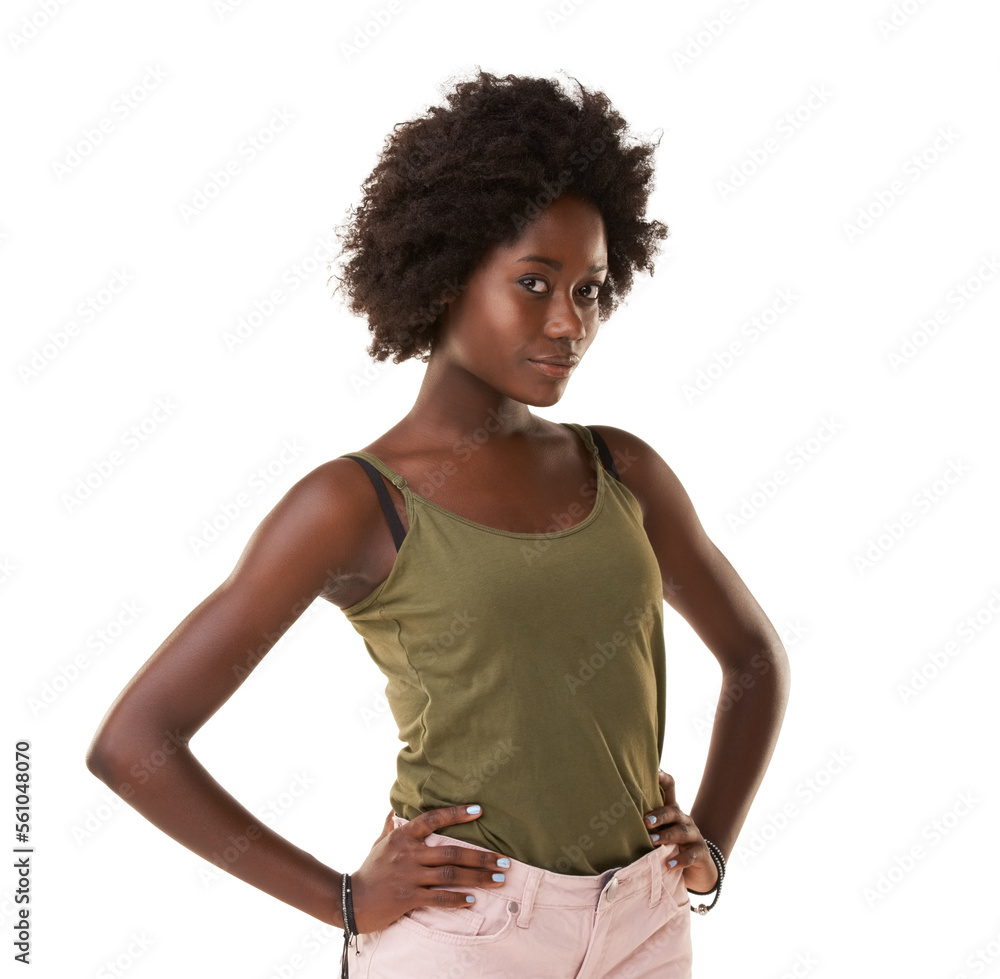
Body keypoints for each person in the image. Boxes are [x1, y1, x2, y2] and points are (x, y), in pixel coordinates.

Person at [86, 69, 790, 978]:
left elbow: (753, 659)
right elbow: (135, 743)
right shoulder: (353, 503)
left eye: (591, 289)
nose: (569, 322)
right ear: (449, 271)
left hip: (644, 927)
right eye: (535, 282)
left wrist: (713, 845)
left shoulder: (625, 470)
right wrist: (342, 898)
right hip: (466, 933)